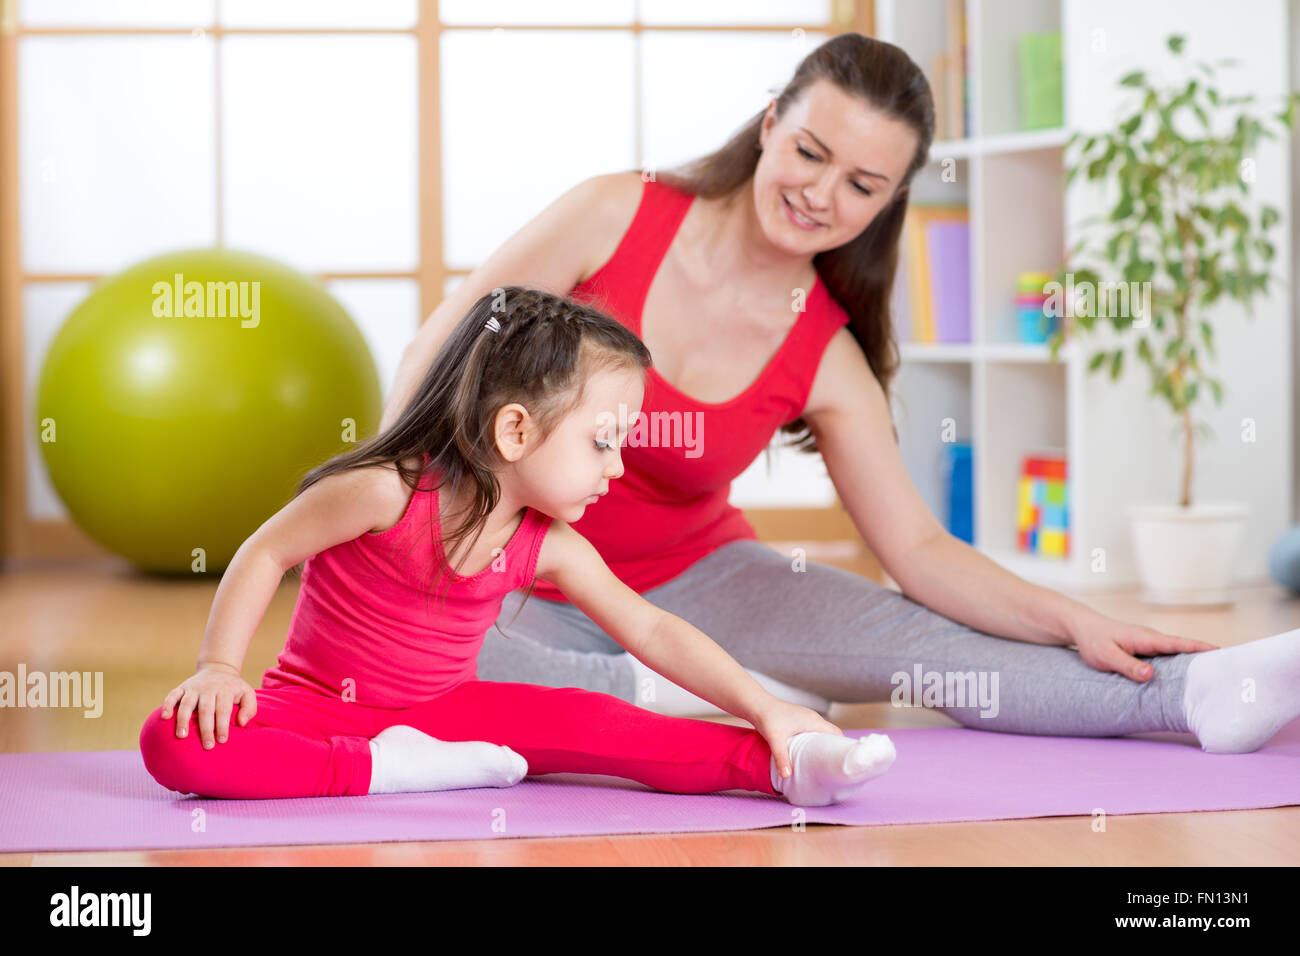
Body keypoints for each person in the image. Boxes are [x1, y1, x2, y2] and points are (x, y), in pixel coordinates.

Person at [380, 33, 1300, 755]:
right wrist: (405, 507)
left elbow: (917, 547)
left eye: (861, 184)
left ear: (890, 199)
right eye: (810, 151)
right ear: (772, 119)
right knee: (429, 665)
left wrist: (1080, 620)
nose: (820, 193)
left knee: (929, 648)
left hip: (701, 582)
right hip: (510, 565)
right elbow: (442, 344)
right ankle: (686, 690)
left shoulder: (825, 349)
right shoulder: (615, 213)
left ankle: (1197, 698)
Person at [138, 287, 899, 807]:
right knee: (172, 743)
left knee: (599, 724)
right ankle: (389, 774)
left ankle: (786, 770)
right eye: (603, 442)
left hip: (452, 712)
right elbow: (264, 552)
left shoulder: (550, 544)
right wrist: (218, 671)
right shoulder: (385, 491)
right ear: (514, 430)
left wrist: (769, 712)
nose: (619, 466)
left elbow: (652, 629)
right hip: (314, 710)